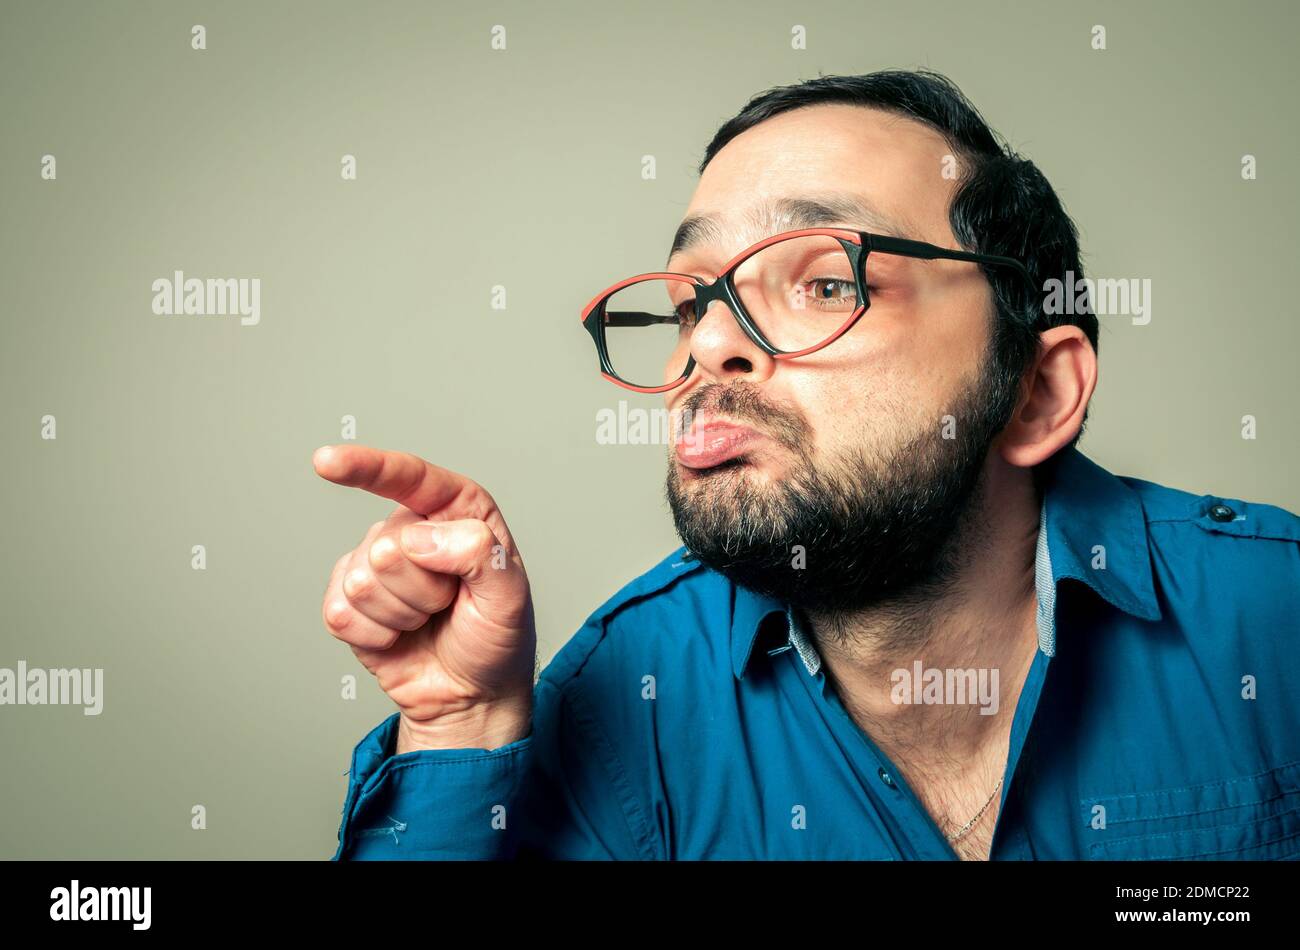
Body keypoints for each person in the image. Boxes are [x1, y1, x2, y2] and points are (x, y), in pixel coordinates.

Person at [316, 70, 1300, 861]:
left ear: (1037, 393)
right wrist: (459, 725)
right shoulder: (632, 695)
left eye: (826, 280)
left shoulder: (1274, 619)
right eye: (693, 299)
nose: (707, 347)